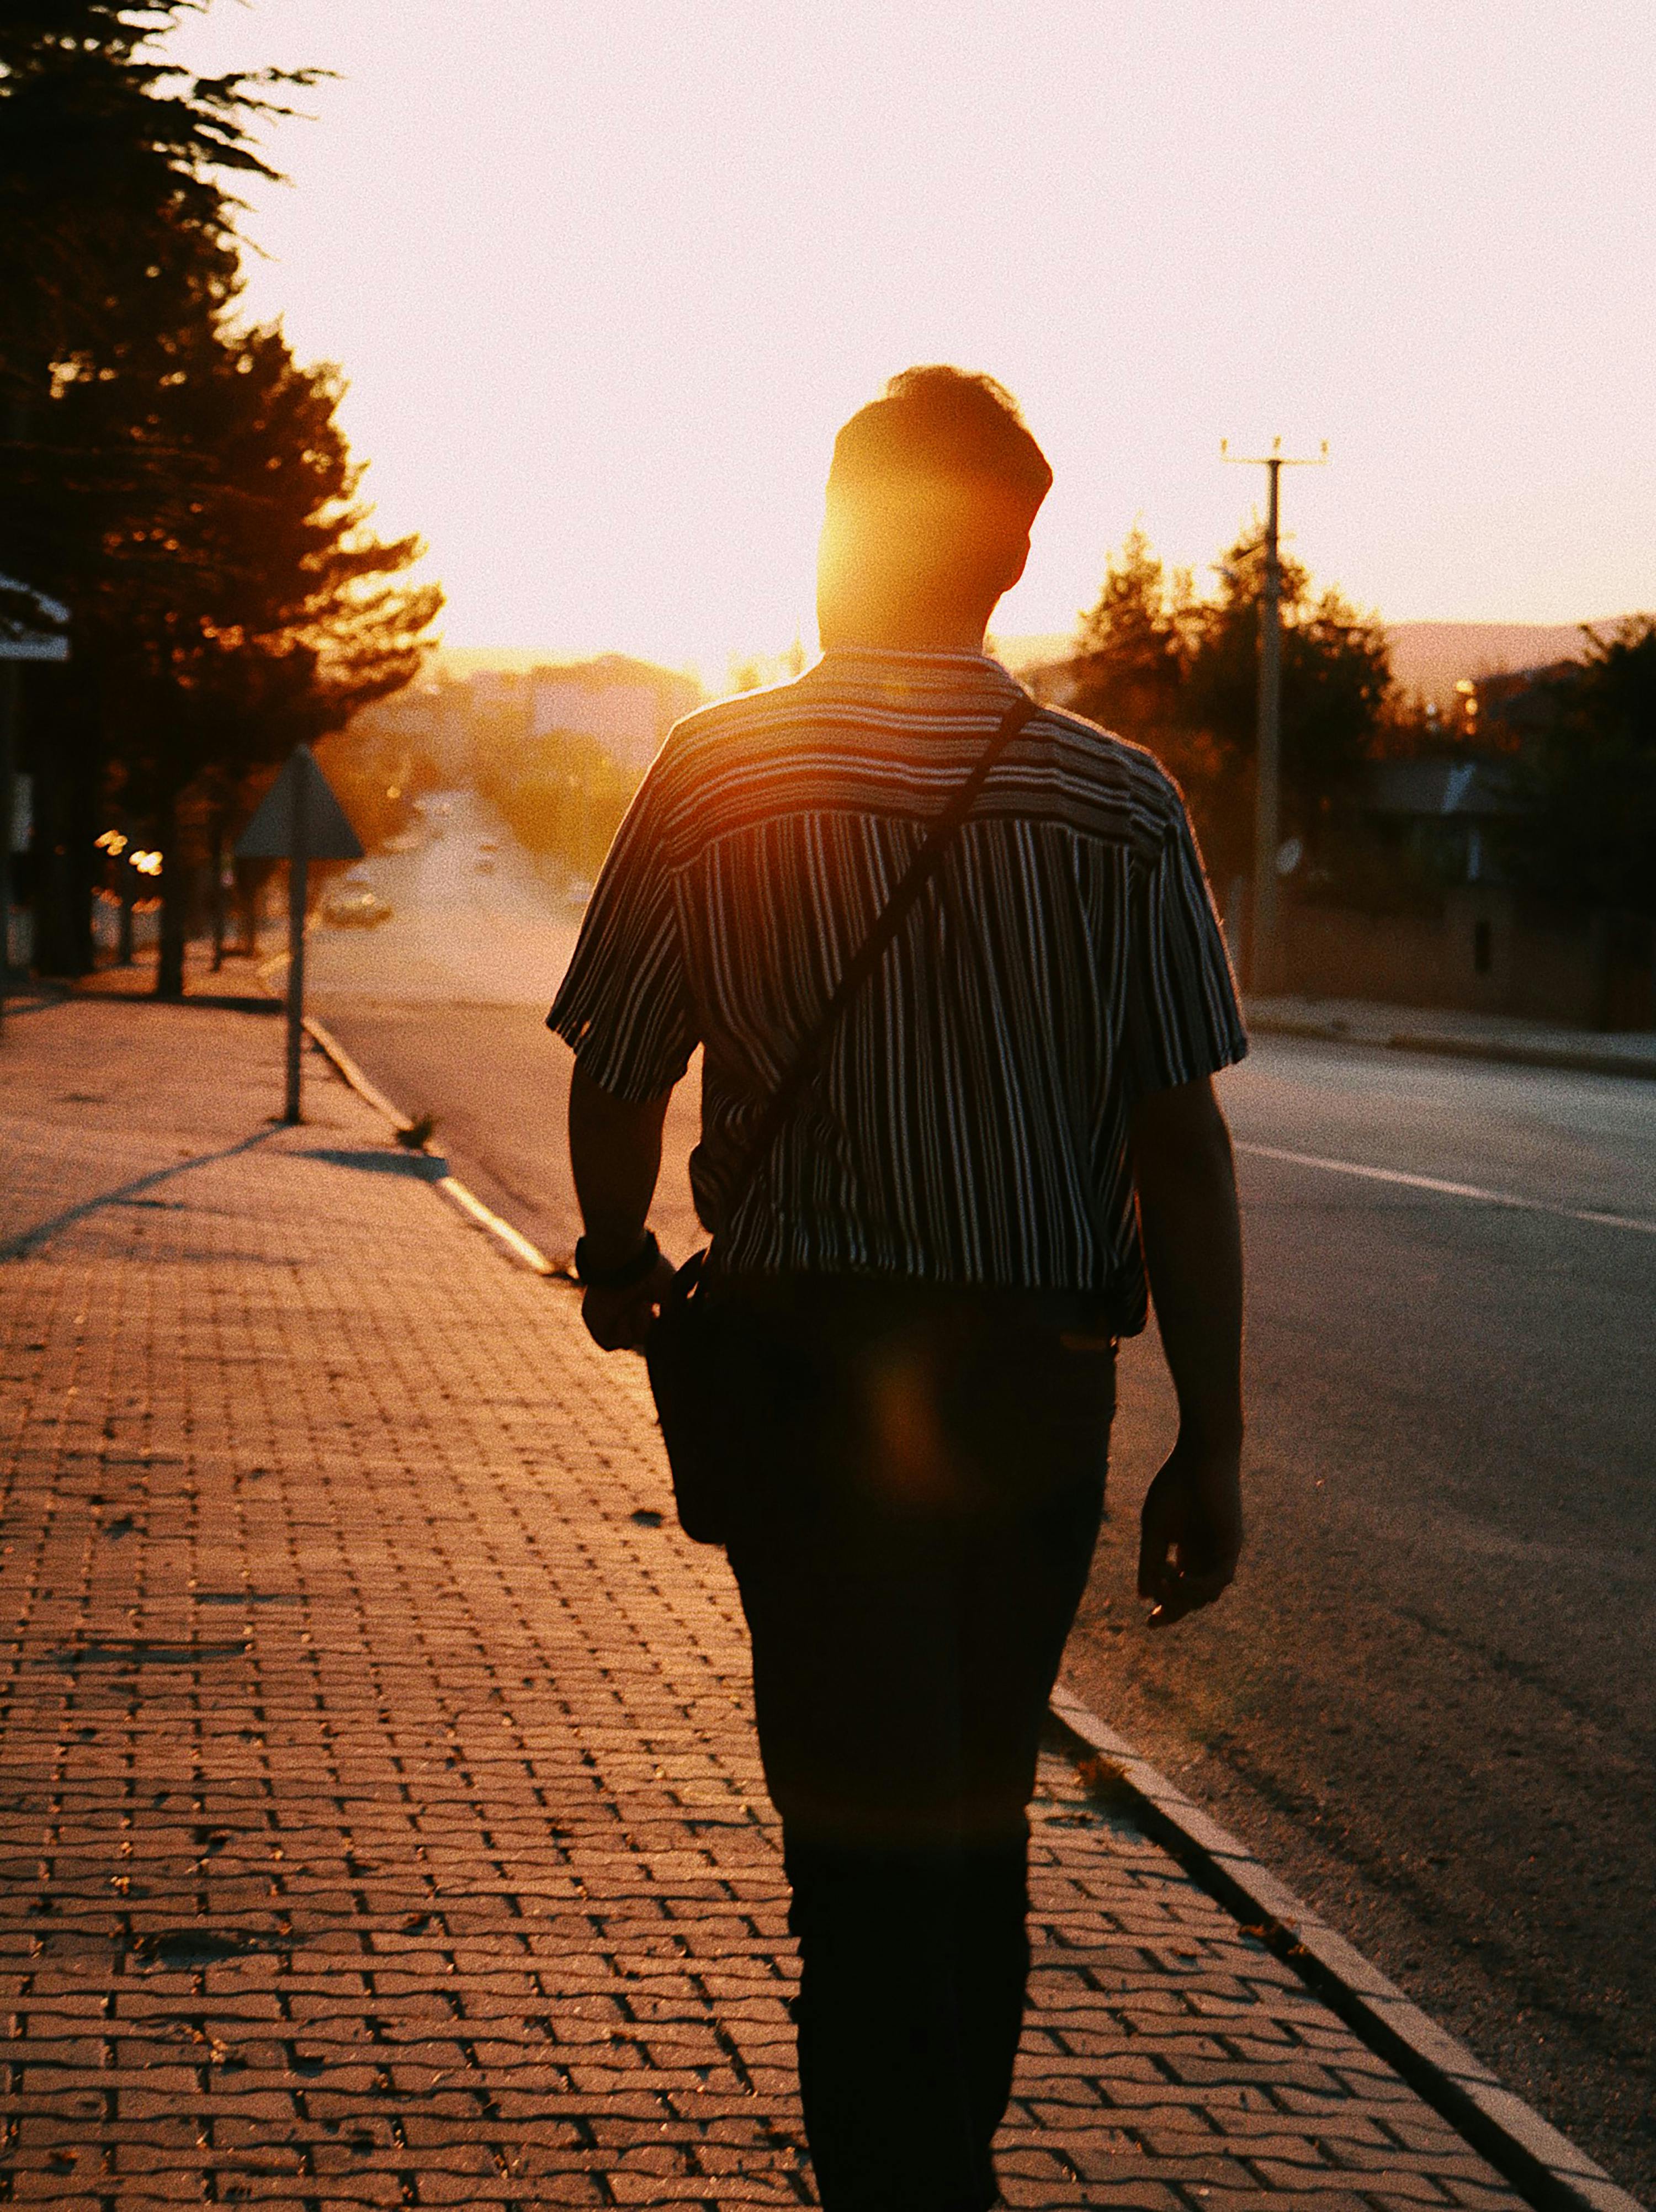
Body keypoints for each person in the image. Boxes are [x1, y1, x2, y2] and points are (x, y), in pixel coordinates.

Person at [548, 365, 1247, 2212]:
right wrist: (1217, 1443)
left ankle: (899, 2180)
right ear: (1014, 551)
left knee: (852, 1825)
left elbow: (620, 1069)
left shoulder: (721, 768)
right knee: (975, 1808)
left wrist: (621, 1264)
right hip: (1033, 1383)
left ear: (840, 526)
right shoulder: (1118, 805)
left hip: (801, 1372)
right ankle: (941, 2167)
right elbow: (1182, 1152)